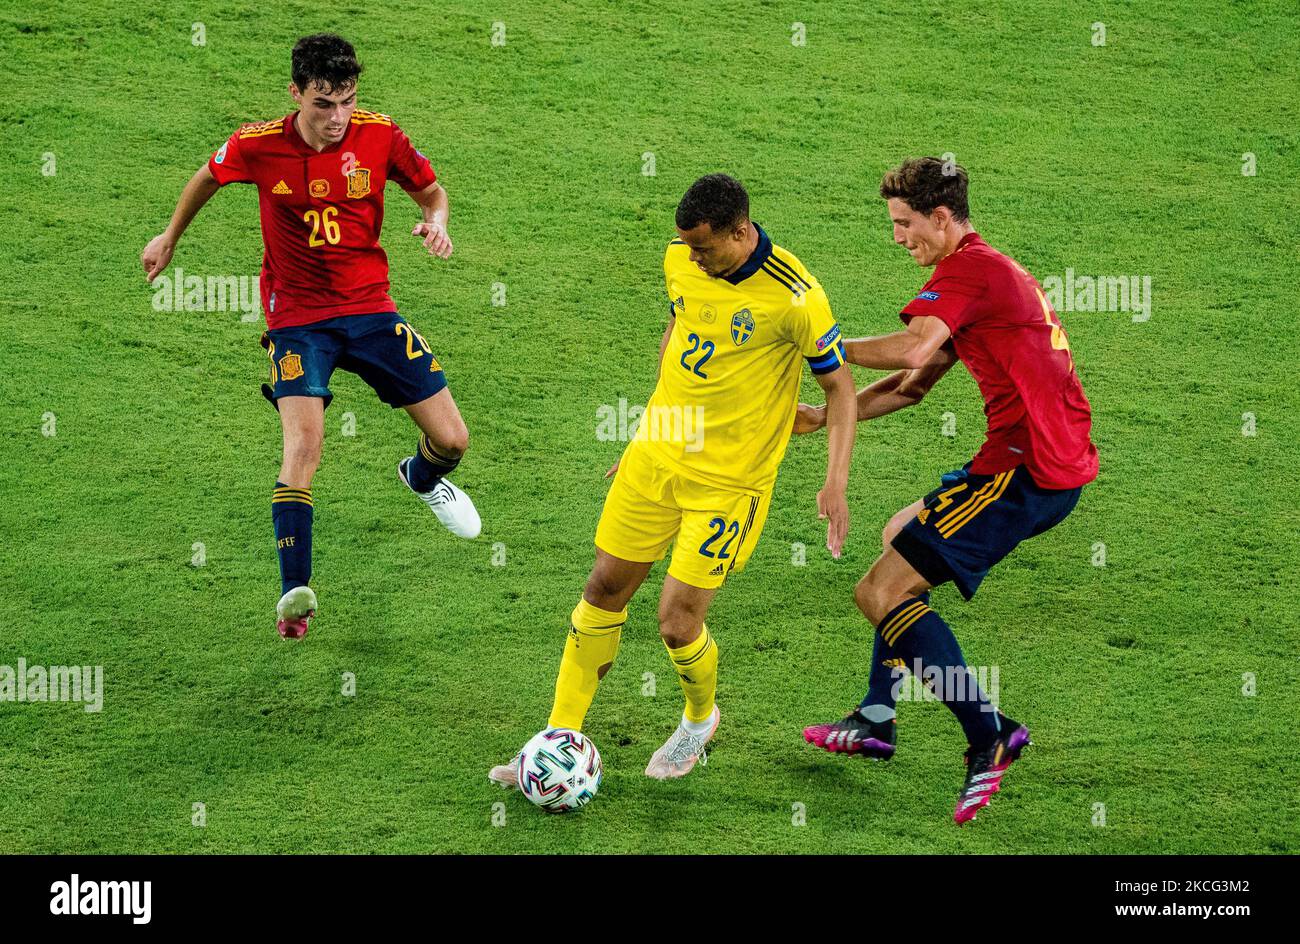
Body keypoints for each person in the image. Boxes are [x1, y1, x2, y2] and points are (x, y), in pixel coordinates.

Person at [491, 174, 855, 784]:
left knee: (676, 620)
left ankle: (698, 720)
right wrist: (646, 428)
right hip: (656, 459)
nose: (691, 257)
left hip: (729, 485)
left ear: (741, 232)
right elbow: (678, 336)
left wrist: (834, 481)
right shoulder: (683, 263)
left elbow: (839, 389)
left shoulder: (797, 298)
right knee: (603, 588)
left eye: (703, 247)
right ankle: (558, 739)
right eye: (685, 245)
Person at [140, 34, 480, 640]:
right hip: (297, 319)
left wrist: (437, 223)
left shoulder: (380, 135)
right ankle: (293, 594)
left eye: (346, 101)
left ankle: (421, 477)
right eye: (323, 103)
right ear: (296, 94)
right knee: (303, 448)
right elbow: (207, 177)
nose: (336, 118)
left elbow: (431, 191)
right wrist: (170, 237)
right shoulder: (257, 145)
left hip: (372, 309)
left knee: (453, 440)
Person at [797, 157, 1098, 823]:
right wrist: (823, 417)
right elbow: (915, 383)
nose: (897, 238)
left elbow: (909, 349)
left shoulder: (971, 273)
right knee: (899, 540)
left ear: (941, 218)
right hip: (1042, 462)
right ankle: (878, 715)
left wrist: (817, 348)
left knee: (878, 591)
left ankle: (988, 733)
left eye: (904, 224)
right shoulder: (988, 274)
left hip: (1025, 473)